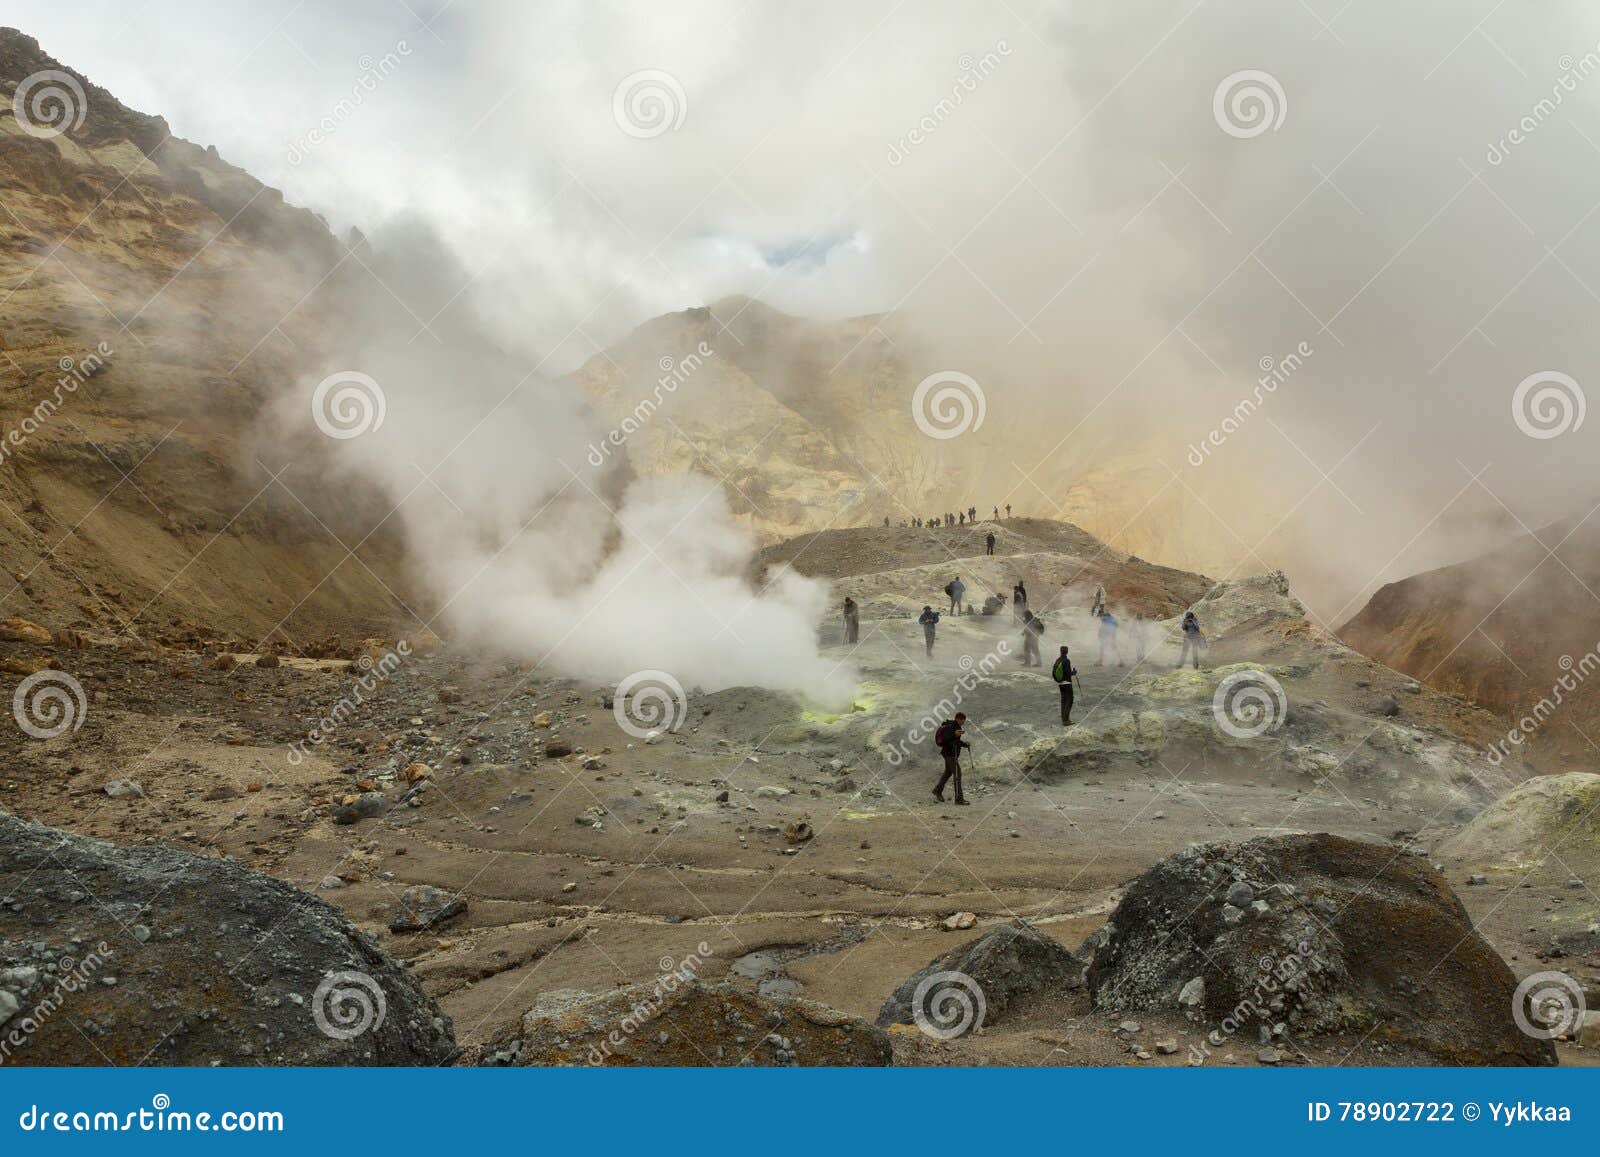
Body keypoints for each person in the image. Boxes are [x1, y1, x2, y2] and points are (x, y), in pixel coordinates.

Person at [933, 712, 971, 804]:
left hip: (951, 754)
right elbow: (946, 740)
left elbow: (955, 741)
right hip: (949, 754)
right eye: (963, 721)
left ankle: (937, 790)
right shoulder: (950, 727)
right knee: (957, 773)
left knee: (948, 773)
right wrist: (954, 735)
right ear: (958, 719)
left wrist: (964, 744)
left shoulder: (957, 727)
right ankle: (959, 799)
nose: (963, 723)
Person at [1052, 645, 1079, 725]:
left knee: (1063, 700)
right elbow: (1068, 673)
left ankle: (1063, 718)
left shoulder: (1058, 660)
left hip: (1060, 683)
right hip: (1067, 683)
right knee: (1069, 700)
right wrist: (1074, 672)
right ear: (1067, 652)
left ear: (1060, 651)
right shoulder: (1066, 660)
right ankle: (1066, 720)